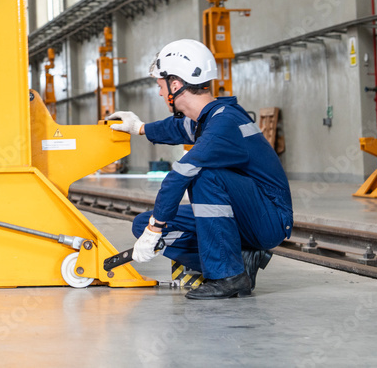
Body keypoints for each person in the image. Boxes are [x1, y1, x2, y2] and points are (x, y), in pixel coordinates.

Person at [107, 39, 293, 300]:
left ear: (175, 84)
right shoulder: (207, 119)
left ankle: (226, 276)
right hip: (246, 215)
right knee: (141, 224)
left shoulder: (224, 124)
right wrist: (139, 128)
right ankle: (239, 260)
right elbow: (175, 128)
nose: (160, 93)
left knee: (203, 175)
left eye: (160, 86)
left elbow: (178, 176)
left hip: (269, 219)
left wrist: (156, 228)